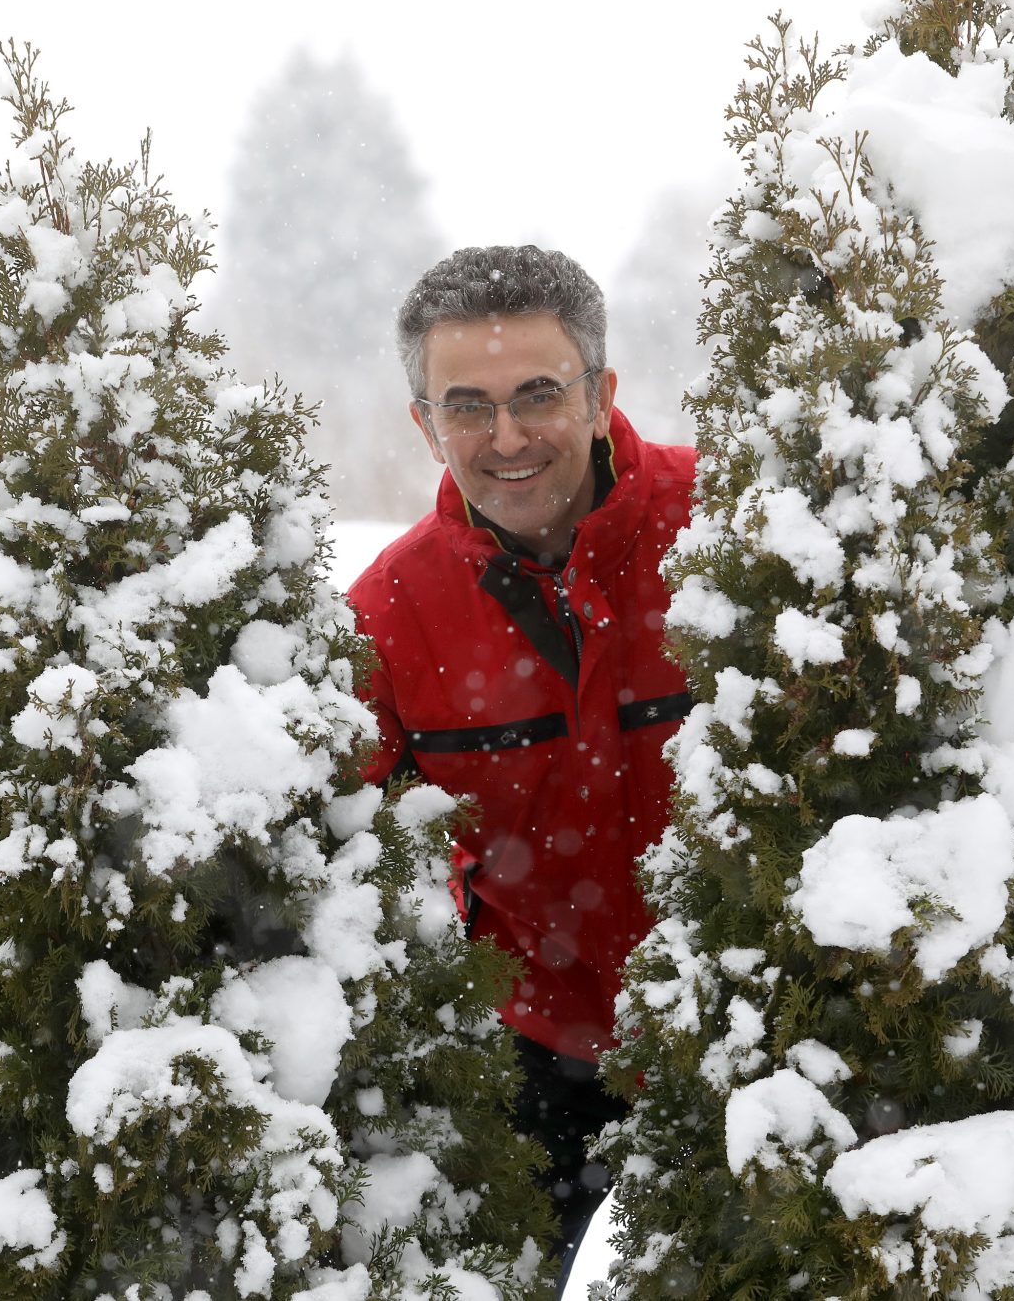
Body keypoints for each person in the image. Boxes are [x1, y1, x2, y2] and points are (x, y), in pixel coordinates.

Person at [348, 245, 695, 1276]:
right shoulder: (387, 612)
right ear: (422, 422)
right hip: (535, 1046)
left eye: (537, 394)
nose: (506, 437)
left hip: (745, 1020)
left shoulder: (725, 526)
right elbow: (348, 859)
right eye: (466, 405)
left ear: (600, 397)